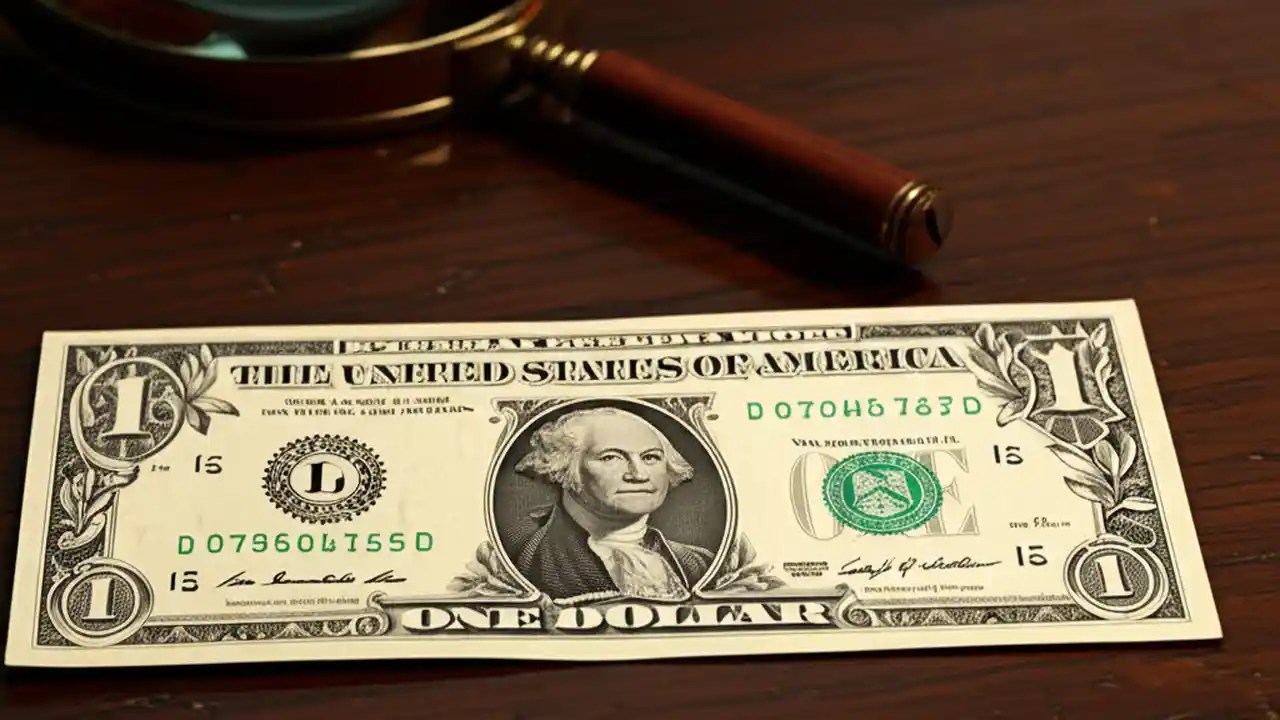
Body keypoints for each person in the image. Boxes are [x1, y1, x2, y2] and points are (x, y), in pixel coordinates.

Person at [511, 406, 714, 602]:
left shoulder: (700, 563)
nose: (638, 474)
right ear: (563, 467)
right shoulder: (524, 562)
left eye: (650, 457)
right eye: (611, 458)